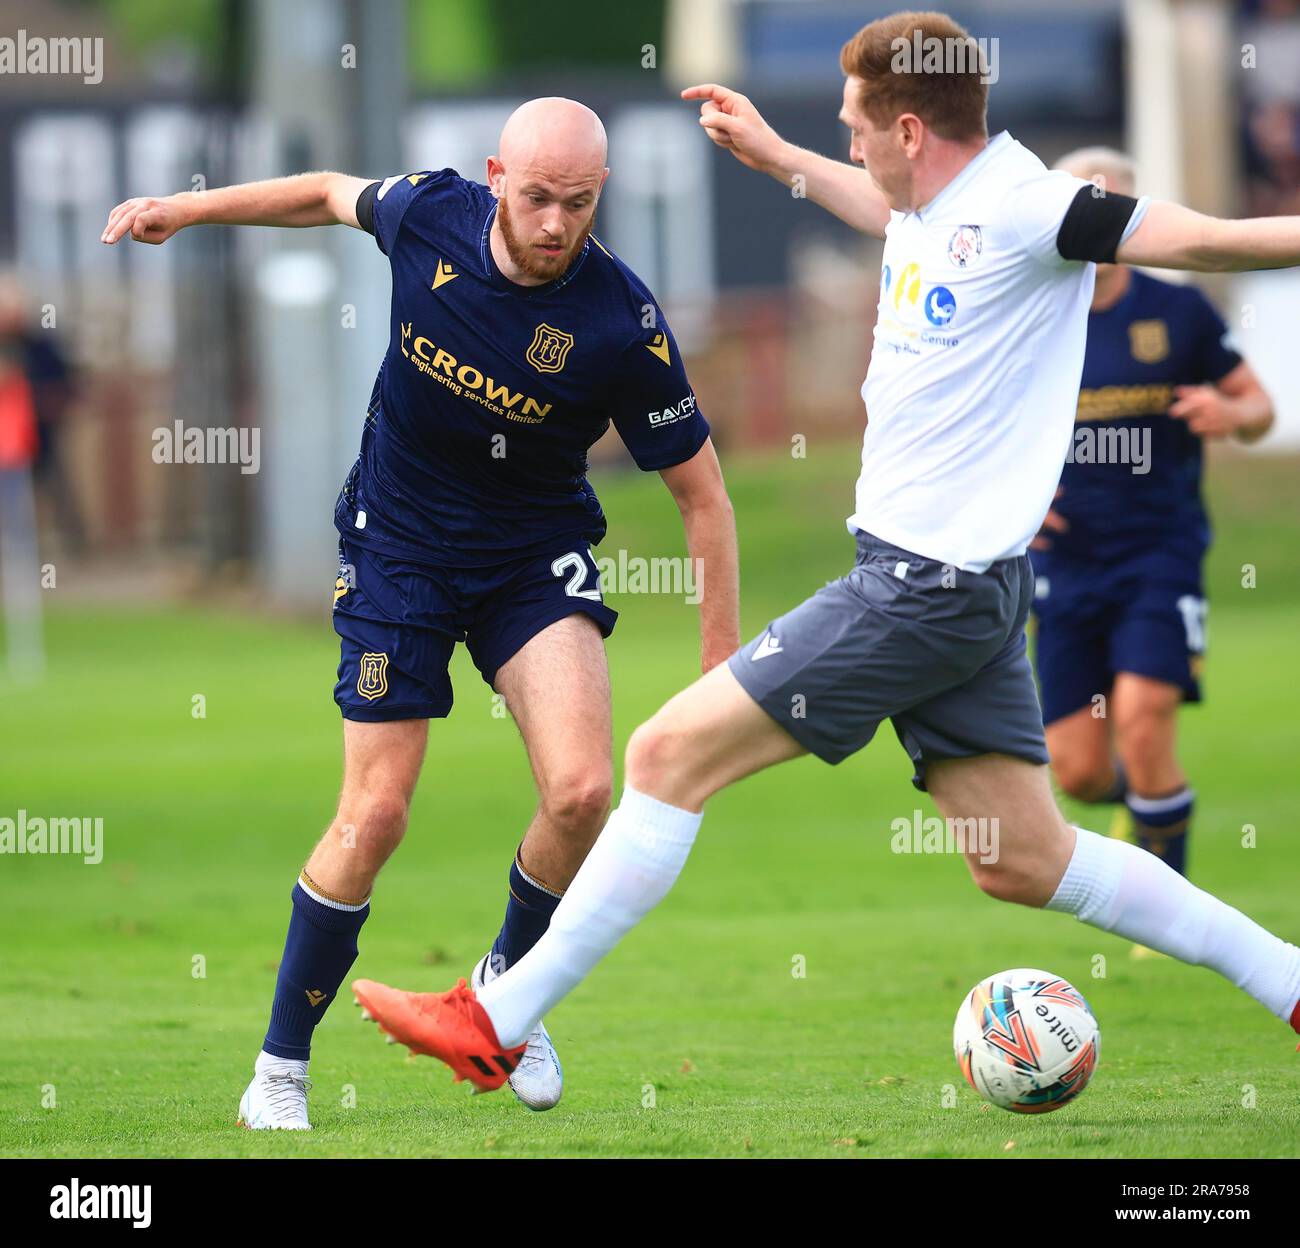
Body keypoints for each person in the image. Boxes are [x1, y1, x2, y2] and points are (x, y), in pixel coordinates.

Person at [350, 11, 1300, 1092]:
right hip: (971, 591)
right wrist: (779, 157)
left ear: (905, 125)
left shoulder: (1034, 209)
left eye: (851, 126)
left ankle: (499, 1014)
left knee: (661, 759)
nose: (845, 143)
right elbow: (883, 212)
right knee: (1022, 860)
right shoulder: (930, 204)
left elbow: (1207, 237)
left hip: (917, 592)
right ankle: (1289, 979)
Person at [101, 97, 739, 1125]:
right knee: (376, 815)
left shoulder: (621, 323)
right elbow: (320, 191)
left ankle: (504, 997)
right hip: (397, 550)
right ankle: (280, 1068)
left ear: (599, 197)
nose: (552, 226)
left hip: (530, 561)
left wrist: (721, 678)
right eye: (535, 197)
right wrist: (186, 208)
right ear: (495, 176)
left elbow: (703, 498)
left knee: (581, 792)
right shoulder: (428, 214)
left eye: (575, 205)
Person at [1031, 148, 1274, 881]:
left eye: (1116, 206)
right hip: (1063, 562)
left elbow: (1260, 407)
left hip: (1158, 552)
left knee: (1141, 719)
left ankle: (1164, 905)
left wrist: (1228, 411)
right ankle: (1148, 798)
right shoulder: (1031, 314)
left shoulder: (1177, 311)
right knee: (1075, 772)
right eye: (1085, 203)